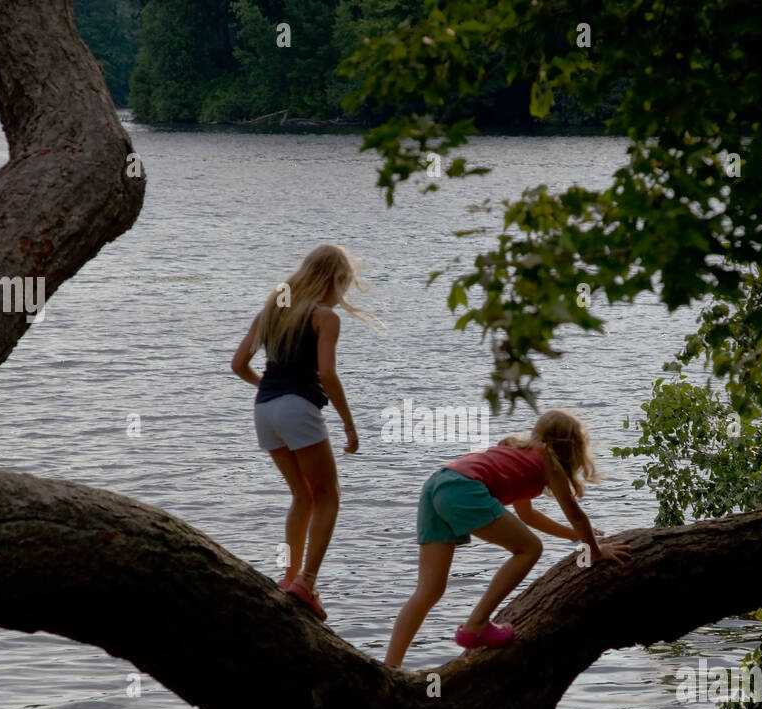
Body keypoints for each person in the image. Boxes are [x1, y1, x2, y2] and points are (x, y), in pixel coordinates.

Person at [385, 409, 630, 667]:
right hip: (462, 488)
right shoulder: (548, 461)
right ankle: (476, 624)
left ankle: (390, 667)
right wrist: (595, 550)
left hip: (437, 484)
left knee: (429, 589)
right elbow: (577, 515)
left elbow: (529, 516)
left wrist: (574, 537)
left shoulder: (520, 454)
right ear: (572, 448)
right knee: (531, 549)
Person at [231, 244, 376, 620]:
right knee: (328, 496)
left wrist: (271, 388)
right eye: (344, 283)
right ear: (335, 279)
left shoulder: (272, 308)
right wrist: (348, 421)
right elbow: (326, 374)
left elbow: (238, 365)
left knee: (302, 496)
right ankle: (307, 583)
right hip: (298, 408)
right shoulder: (324, 316)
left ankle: (290, 577)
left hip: (264, 409)